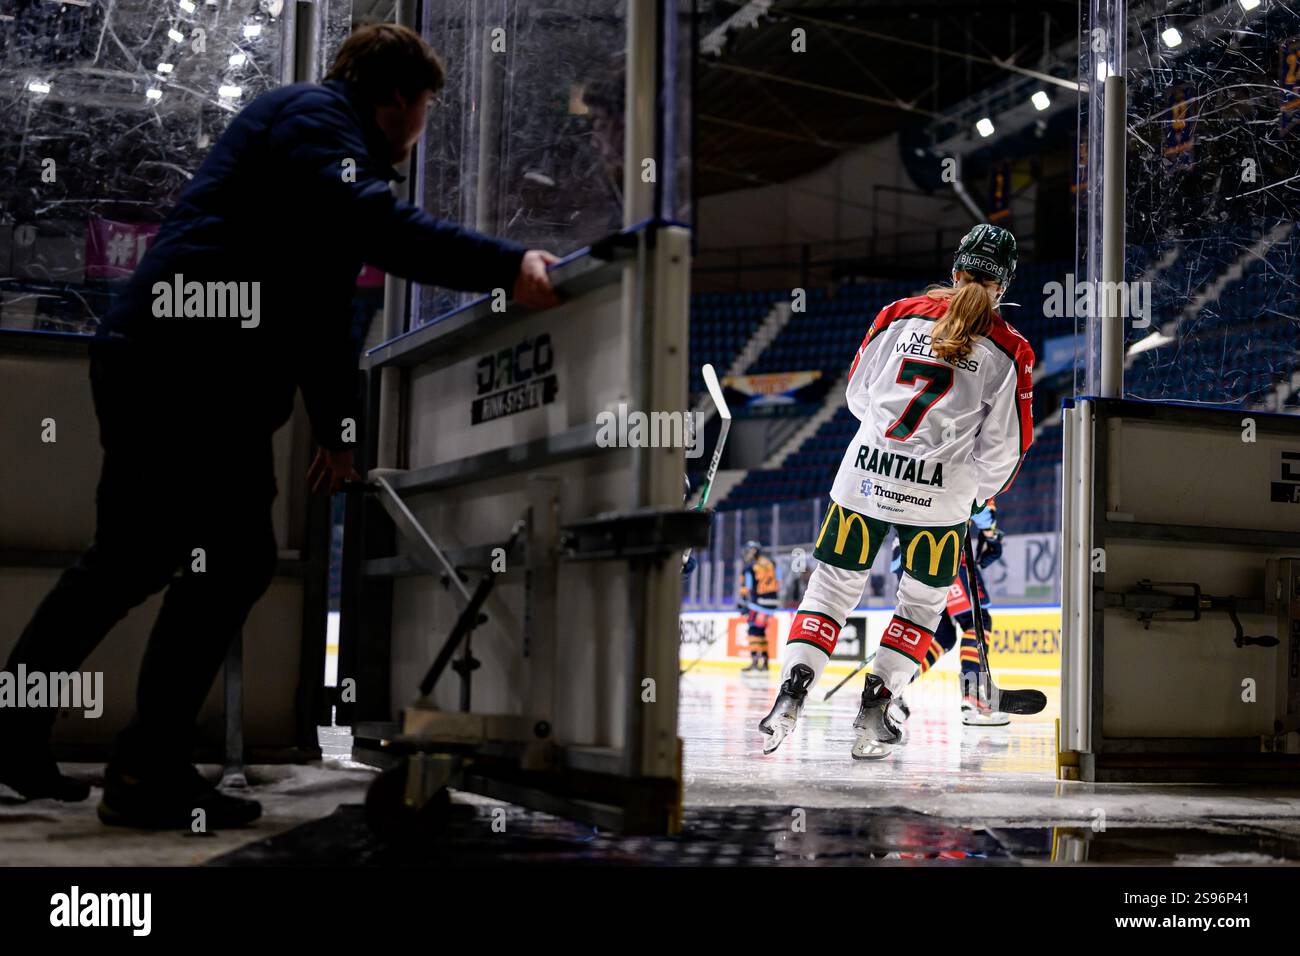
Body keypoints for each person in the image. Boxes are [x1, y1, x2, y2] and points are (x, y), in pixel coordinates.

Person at [0, 23, 559, 827]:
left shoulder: (316, 144)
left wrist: (338, 430)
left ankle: (26, 735)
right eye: (428, 104)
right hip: (187, 367)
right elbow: (373, 230)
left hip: (173, 361)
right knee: (221, 561)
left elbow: (318, 312)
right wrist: (506, 265)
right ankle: (142, 769)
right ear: (399, 96)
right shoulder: (313, 123)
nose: (424, 123)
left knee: (132, 560)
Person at [758, 224, 1034, 759]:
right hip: (939, 501)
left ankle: (791, 695)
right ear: (1005, 285)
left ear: (955, 269)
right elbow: (1005, 449)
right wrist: (968, 496)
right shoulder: (1010, 350)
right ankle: (874, 711)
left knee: (830, 591)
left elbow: (859, 396)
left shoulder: (897, 313)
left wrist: (889, 453)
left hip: (862, 478)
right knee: (920, 609)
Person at [887, 500, 1009, 730]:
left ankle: (891, 690)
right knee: (977, 621)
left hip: (906, 553)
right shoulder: (977, 462)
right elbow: (979, 502)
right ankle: (973, 696)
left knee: (942, 635)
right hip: (940, 548)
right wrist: (992, 534)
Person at [737, 540, 779, 672]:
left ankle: (755, 661)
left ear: (754, 551)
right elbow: (778, 580)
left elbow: (747, 588)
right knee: (761, 632)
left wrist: (743, 604)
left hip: (758, 604)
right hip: (772, 603)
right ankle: (765, 662)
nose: (746, 554)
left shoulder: (749, 567)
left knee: (753, 631)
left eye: (748, 551)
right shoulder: (771, 563)